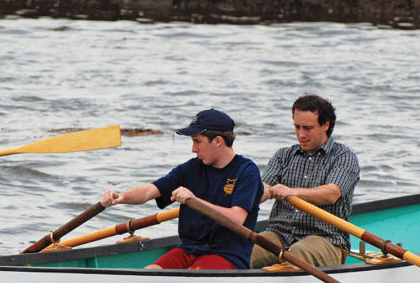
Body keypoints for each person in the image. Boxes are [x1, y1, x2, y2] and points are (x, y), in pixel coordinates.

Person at [101, 109, 263, 270]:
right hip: (189, 249)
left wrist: (194, 201)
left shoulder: (247, 171)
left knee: (191, 276)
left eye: (198, 141)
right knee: (151, 271)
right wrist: (121, 197)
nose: (193, 149)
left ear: (218, 141)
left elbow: (237, 218)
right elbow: (148, 191)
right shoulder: (191, 168)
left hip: (228, 255)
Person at [250, 94, 360, 269]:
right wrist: (241, 200)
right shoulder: (283, 155)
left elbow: (331, 193)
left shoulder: (344, 157)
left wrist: (292, 192)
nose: (301, 135)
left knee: (297, 254)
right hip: (279, 234)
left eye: (308, 128)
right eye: (297, 127)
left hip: (326, 238)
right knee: (243, 251)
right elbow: (264, 188)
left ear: (326, 125)